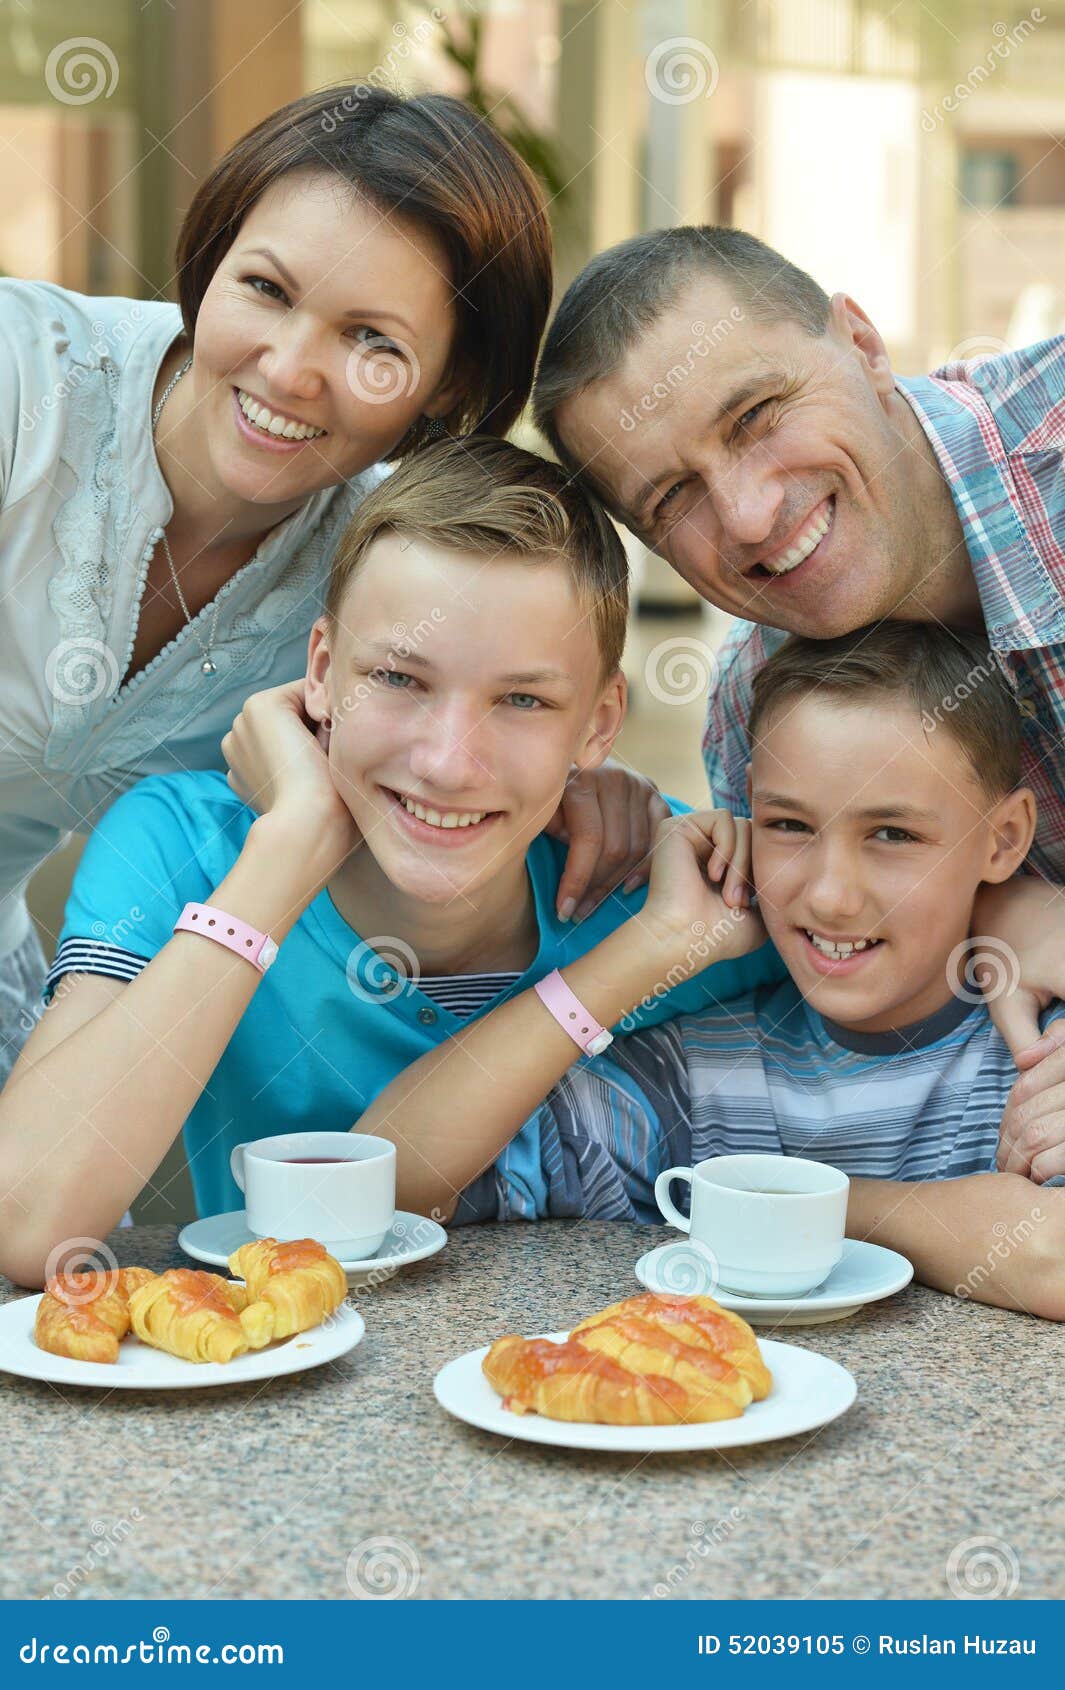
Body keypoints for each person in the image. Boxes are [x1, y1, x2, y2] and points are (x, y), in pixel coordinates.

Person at [0, 438, 780, 1288]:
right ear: (324, 671)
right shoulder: (181, 847)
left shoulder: (680, 899)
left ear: (597, 725)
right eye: (401, 680)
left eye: (522, 701)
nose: (449, 762)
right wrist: (289, 848)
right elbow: (27, 1223)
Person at [0, 82, 650, 1089]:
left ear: (451, 385)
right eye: (265, 288)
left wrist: (574, 774)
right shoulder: (20, 385)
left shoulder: (381, 582)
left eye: (372, 341)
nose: (291, 368)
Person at [352, 621, 1065, 1319]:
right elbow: (382, 1189)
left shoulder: (1038, 1052)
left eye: (891, 835)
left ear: (1002, 840)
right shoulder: (694, 1074)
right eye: (788, 825)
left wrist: (781, 1203)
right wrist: (656, 942)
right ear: (746, 810)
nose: (828, 894)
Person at [531, 225, 1065, 1054]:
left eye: (755, 417)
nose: (746, 516)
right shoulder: (755, 713)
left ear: (861, 343)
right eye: (673, 498)